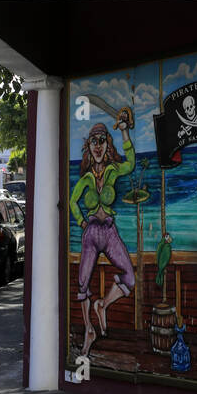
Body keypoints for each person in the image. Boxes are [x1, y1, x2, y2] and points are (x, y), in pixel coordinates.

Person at [69, 110, 135, 355]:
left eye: (102, 141)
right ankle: (88, 329)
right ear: (89, 147)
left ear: (108, 144)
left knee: (130, 276)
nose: (98, 146)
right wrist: (82, 223)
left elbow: (132, 163)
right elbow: (72, 202)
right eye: (93, 142)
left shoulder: (113, 170)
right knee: (82, 282)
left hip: (109, 231)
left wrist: (125, 132)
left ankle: (103, 305)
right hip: (90, 235)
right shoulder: (85, 179)